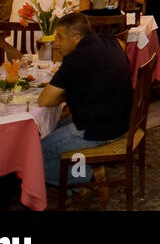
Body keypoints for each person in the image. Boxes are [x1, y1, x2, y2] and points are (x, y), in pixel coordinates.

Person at [38, 13, 132, 188]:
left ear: (76, 38)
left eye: (60, 37)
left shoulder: (77, 58)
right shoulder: (107, 40)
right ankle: (80, 170)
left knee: (37, 152)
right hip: (119, 119)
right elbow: (122, 45)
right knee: (50, 128)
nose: (56, 44)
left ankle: (82, 181)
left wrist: (65, 91)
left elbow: (44, 101)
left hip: (100, 130)